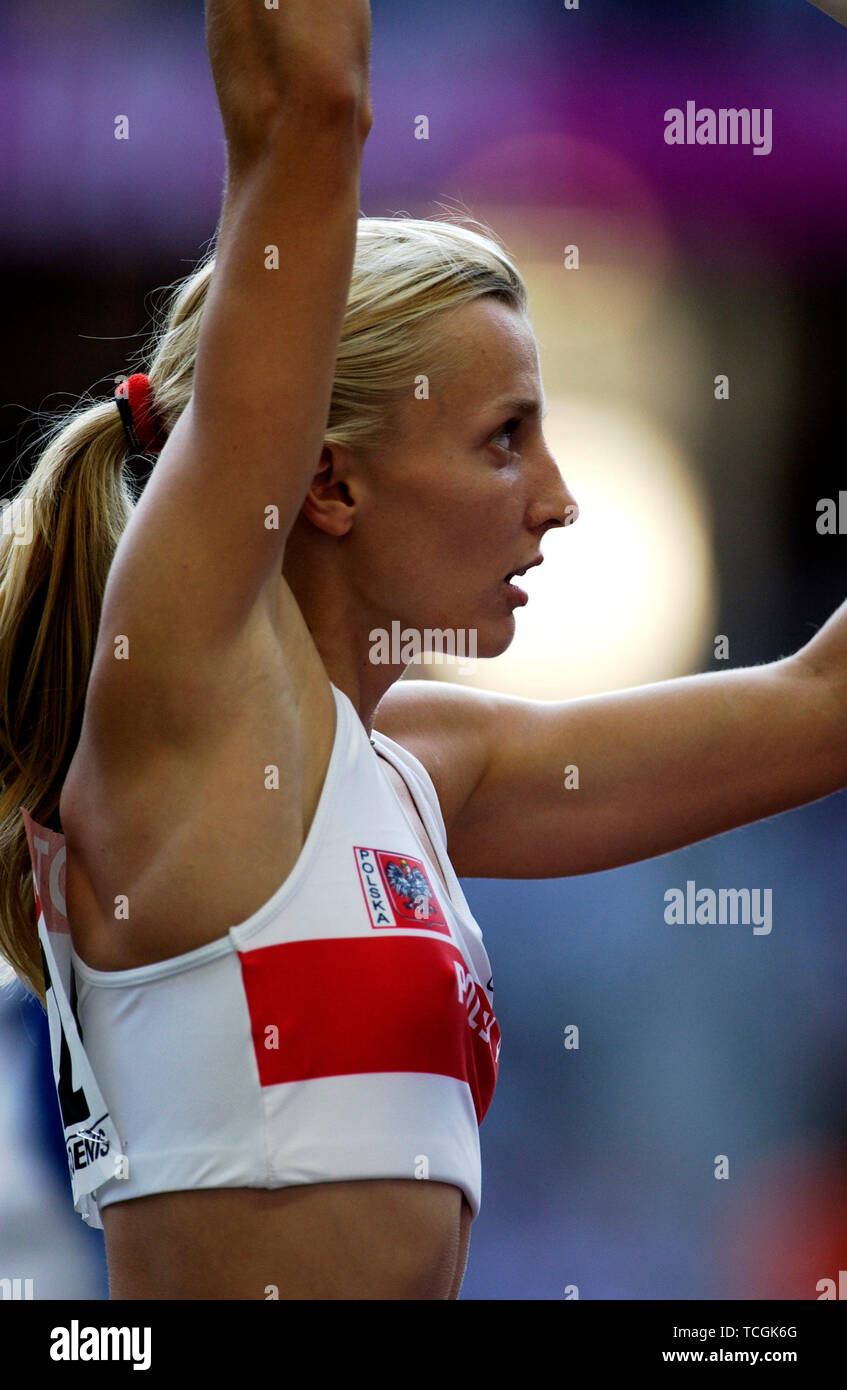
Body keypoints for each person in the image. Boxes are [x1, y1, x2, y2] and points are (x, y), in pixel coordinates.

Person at [2, 0, 847, 1300]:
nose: (562, 498)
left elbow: (824, 704)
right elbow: (309, 106)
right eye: (506, 436)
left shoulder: (422, 770)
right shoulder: (186, 688)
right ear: (325, 482)